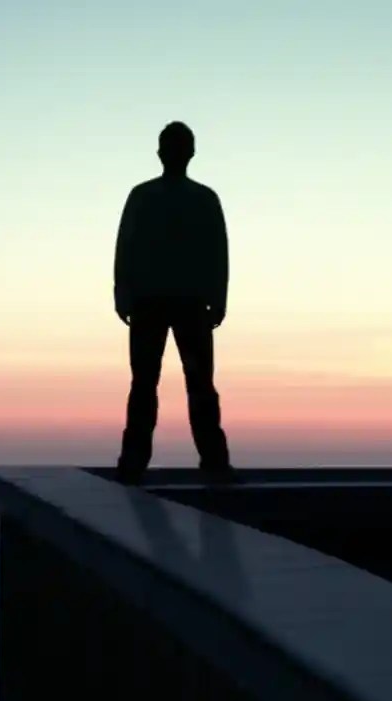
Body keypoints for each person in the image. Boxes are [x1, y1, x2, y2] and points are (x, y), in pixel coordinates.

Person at [113, 121, 233, 485]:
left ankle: (140, 462)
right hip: (172, 303)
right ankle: (206, 461)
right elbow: (218, 253)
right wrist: (218, 298)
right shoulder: (195, 198)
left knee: (170, 384)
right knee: (174, 384)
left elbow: (217, 252)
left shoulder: (153, 196)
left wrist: (123, 294)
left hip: (169, 303)